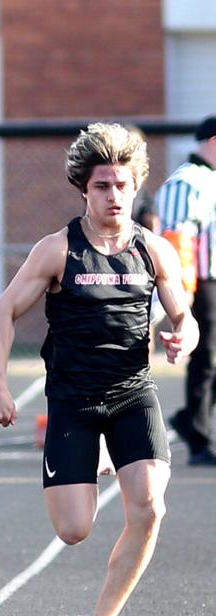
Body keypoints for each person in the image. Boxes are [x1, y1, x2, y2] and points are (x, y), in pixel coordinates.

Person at [0, 123, 195, 616]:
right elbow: (4, 312)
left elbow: (183, 315)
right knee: (74, 529)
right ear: (85, 189)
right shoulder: (57, 250)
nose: (114, 196)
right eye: (103, 186)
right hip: (73, 400)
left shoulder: (153, 251)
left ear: (135, 186)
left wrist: (180, 337)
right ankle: (94, 455)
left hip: (133, 394)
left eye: (123, 185)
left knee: (149, 508)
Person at [159, 116, 216, 466]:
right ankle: (198, 437)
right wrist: (184, 292)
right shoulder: (186, 181)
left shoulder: (209, 179)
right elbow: (177, 239)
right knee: (205, 360)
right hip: (203, 283)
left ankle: (189, 420)